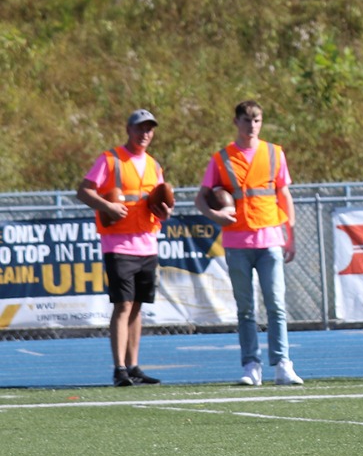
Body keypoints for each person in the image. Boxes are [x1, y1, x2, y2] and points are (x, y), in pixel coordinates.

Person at [196, 100, 303, 386]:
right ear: (236, 122)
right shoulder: (222, 158)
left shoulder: (274, 153)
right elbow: (201, 197)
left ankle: (282, 364)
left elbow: (284, 195)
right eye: (246, 120)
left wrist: (290, 237)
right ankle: (251, 365)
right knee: (245, 308)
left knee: (276, 304)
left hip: (270, 239)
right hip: (237, 241)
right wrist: (215, 214)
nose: (252, 126)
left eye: (257, 120)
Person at [76, 109, 173, 387]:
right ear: (128, 130)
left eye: (149, 129)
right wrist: (107, 206)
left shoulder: (153, 165)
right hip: (118, 244)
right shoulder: (110, 159)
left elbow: (156, 203)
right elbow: (83, 191)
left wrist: (164, 212)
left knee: (137, 306)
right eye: (140, 128)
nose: (145, 134)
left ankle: (133, 366)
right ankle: (119, 369)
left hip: (147, 243)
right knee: (123, 305)